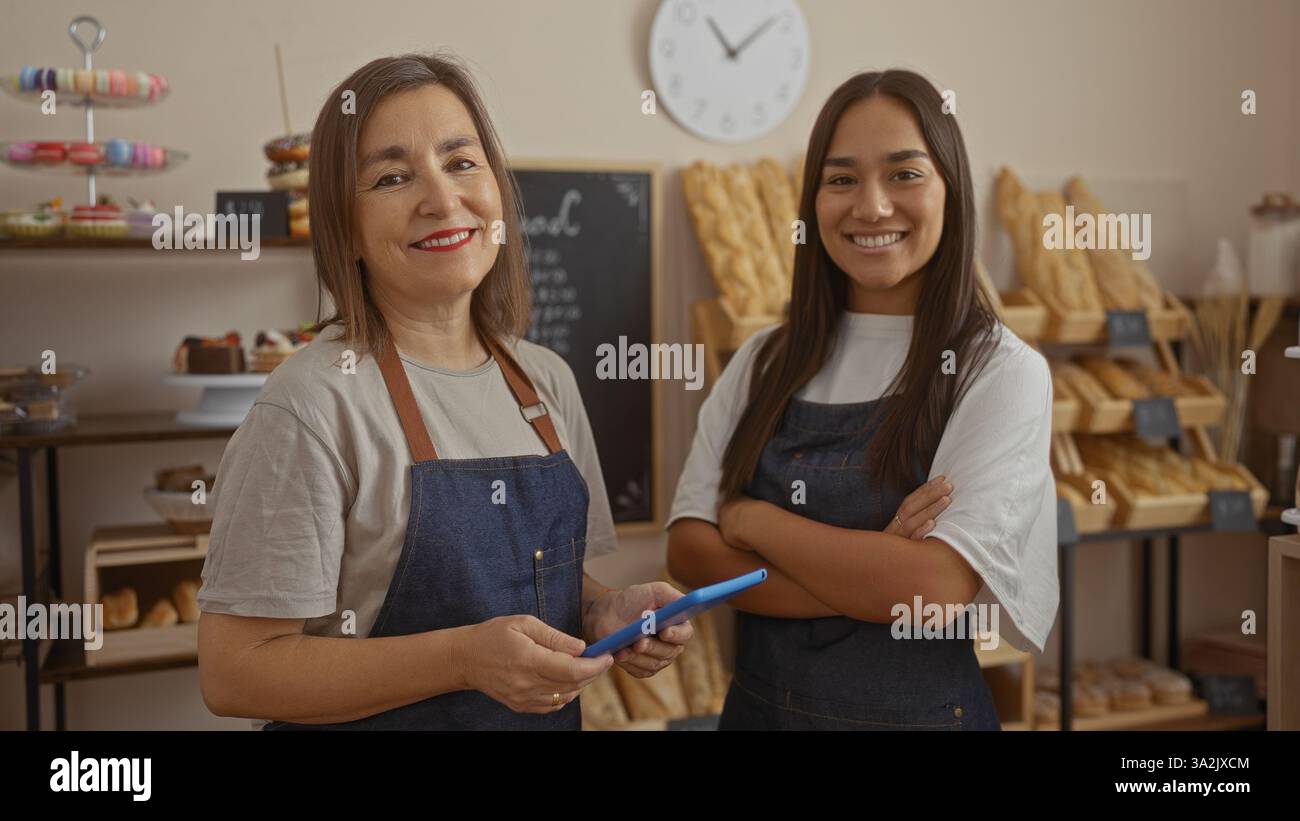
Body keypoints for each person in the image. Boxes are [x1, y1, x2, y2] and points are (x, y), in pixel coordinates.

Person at [197, 53, 691, 730]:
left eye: (461, 162)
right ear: (347, 225)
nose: (441, 198)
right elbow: (236, 668)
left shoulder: (545, 381)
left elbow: (545, 584)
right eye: (393, 177)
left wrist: (605, 611)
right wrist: (462, 659)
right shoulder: (312, 403)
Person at [667, 69, 1057, 730]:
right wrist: (872, 572)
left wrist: (754, 521)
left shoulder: (999, 371)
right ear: (814, 200)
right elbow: (688, 551)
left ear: (950, 190)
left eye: (904, 174)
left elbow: (931, 591)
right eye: (842, 179)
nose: (871, 207)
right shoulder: (764, 360)